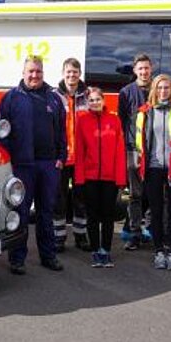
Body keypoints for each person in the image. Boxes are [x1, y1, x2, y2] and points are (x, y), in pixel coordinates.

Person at [0, 55, 67, 275]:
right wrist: (10, 160)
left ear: (43, 73)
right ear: (23, 72)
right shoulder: (11, 98)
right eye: (31, 71)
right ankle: (17, 259)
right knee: (21, 212)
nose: (34, 75)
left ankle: (48, 256)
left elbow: (62, 132)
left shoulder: (54, 99)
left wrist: (61, 157)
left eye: (38, 71)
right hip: (23, 166)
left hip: (48, 165)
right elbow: (1, 132)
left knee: (46, 213)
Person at [136, 74, 171, 271]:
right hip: (153, 168)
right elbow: (139, 141)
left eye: (166, 88)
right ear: (154, 90)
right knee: (156, 211)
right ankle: (159, 250)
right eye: (159, 87)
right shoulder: (145, 113)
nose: (163, 91)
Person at [74, 86, 127, 268]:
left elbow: (120, 152)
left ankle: (106, 250)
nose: (95, 102)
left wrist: (121, 179)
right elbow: (79, 153)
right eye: (91, 100)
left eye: (98, 99)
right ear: (87, 102)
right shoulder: (82, 121)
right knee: (92, 216)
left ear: (103, 101)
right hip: (89, 178)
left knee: (108, 216)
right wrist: (78, 180)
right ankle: (95, 250)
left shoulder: (114, 120)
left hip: (110, 178)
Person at [53, 57, 90, 252]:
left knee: (81, 199)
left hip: (82, 159)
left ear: (80, 74)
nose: (71, 75)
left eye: (75, 72)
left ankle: (80, 236)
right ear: (63, 73)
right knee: (58, 199)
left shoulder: (88, 95)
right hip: (60, 157)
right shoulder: (53, 96)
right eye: (68, 72)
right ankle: (58, 238)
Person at [118, 53, 153, 250]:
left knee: (153, 192)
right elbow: (123, 121)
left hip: (155, 150)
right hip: (133, 149)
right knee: (135, 194)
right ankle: (134, 232)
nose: (144, 71)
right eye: (140, 68)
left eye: (146, 68)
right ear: (135, 70)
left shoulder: (158, 89)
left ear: (151, 68)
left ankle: (149, 229)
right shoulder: (126, 92)